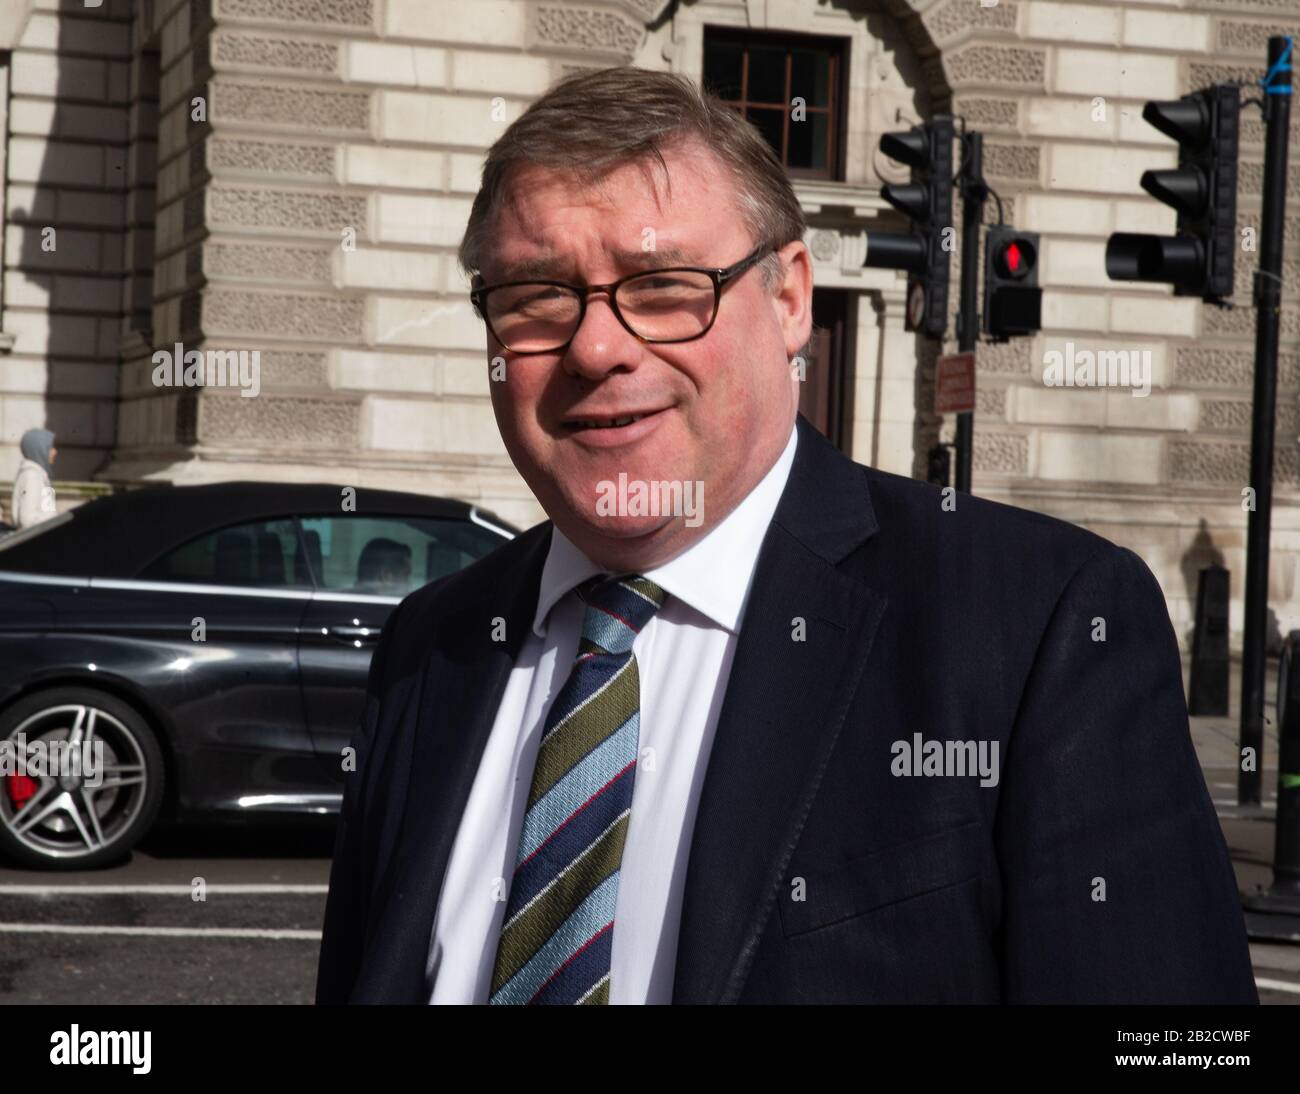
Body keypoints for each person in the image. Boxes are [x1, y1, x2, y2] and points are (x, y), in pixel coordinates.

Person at [316, 67, 1257, 1005]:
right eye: (538, 296)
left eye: (663, 286)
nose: (596, 348)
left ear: (790, 298)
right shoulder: (430, 647)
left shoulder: (1037, 627)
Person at [11, 427, 57, 530]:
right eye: (50, 447)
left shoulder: (40, 475)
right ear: (39, 449)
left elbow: (49, 512)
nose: (54, 452)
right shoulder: (32, 476)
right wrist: (54, 520)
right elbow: (27, 520)